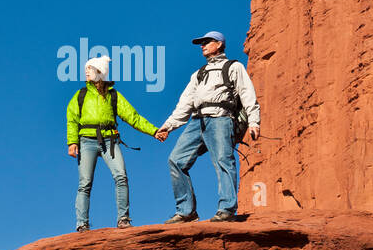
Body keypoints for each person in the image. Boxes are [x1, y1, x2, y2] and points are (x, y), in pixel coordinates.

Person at [155, 31, 260, 222]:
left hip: (221, 119)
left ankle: (227, 209)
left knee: (223, 160)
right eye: (201, 43)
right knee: (176, 160)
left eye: (206, 42)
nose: (202, 45)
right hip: (197, 121)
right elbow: (185, 104)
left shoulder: (233, 67)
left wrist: (254, 121)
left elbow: (247, 93)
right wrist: (167, 127)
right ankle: (187, 211)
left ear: (219, 44)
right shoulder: (198, 74)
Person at [66, 55, 162, 231]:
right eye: (86, 69)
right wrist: (72, 142)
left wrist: (154, 131)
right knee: (85, 183)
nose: (86, 72)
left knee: (121, 176)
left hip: (109, 141)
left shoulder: (113, 96)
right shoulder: (81, 95)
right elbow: (72, 119)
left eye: (90, 68)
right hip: (86, 141)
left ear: (100, 72)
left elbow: (133, 117)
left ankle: (123, 219)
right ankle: (81, 224)